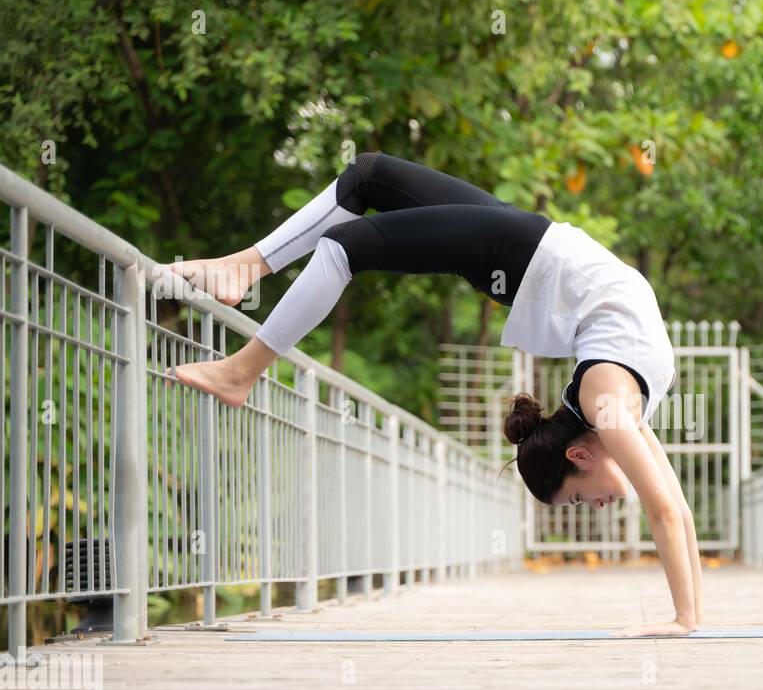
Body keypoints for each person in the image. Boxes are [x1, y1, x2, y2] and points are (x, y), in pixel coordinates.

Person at [162, 151, 704, 637]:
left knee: (357, 217)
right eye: (584, 500)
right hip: (521, 250)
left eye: (581, 500)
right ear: (578, 454)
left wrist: (686, 620)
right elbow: (668, 510)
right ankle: (243, 318)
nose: (600, 505)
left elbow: (673, 510)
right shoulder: (608, 401)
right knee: (367, 182)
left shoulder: (609, 402)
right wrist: (687, 620)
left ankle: (243, 322)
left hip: (522, 251)